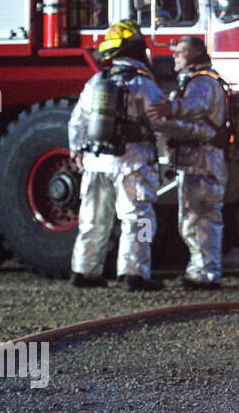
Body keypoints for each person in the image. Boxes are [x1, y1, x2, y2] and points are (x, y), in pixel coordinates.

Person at [67, 19, 168, 291]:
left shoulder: (96, 81)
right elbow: (159, 124)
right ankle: (135, 274)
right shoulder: (145, 84)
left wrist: (76, 150)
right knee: (139, 219)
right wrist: (164, 155)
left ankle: (84, 271)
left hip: (95, 161)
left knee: (92, 219)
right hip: (132, 163)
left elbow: (77, 121)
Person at [148, 35, 228, 290]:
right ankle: (201, 271)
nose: (174, 56)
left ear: (194, 55)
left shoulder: (202, 82)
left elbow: (195, 109)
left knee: (201, 218)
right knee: (194, 219)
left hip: (203, 161)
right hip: (197, 162)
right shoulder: (194, 81)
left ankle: (205, 275)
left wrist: (169, 112)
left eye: (181, 52)